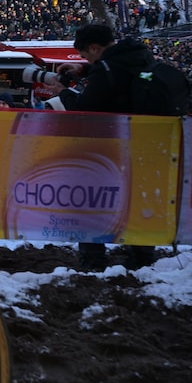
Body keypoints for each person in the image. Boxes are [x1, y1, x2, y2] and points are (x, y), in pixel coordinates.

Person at [46, 22, 158, 271]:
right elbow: (119, 75)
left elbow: (84, 107)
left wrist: (63, 91)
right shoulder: (139, 54)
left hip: (107, 146)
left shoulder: (107, 68)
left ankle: (93, 257)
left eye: (85, 55)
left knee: (91, 201)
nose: (84, 59)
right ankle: (142, 256)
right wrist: (85, 69)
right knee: (136, 200)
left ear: (95, 48)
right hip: (144, 142)